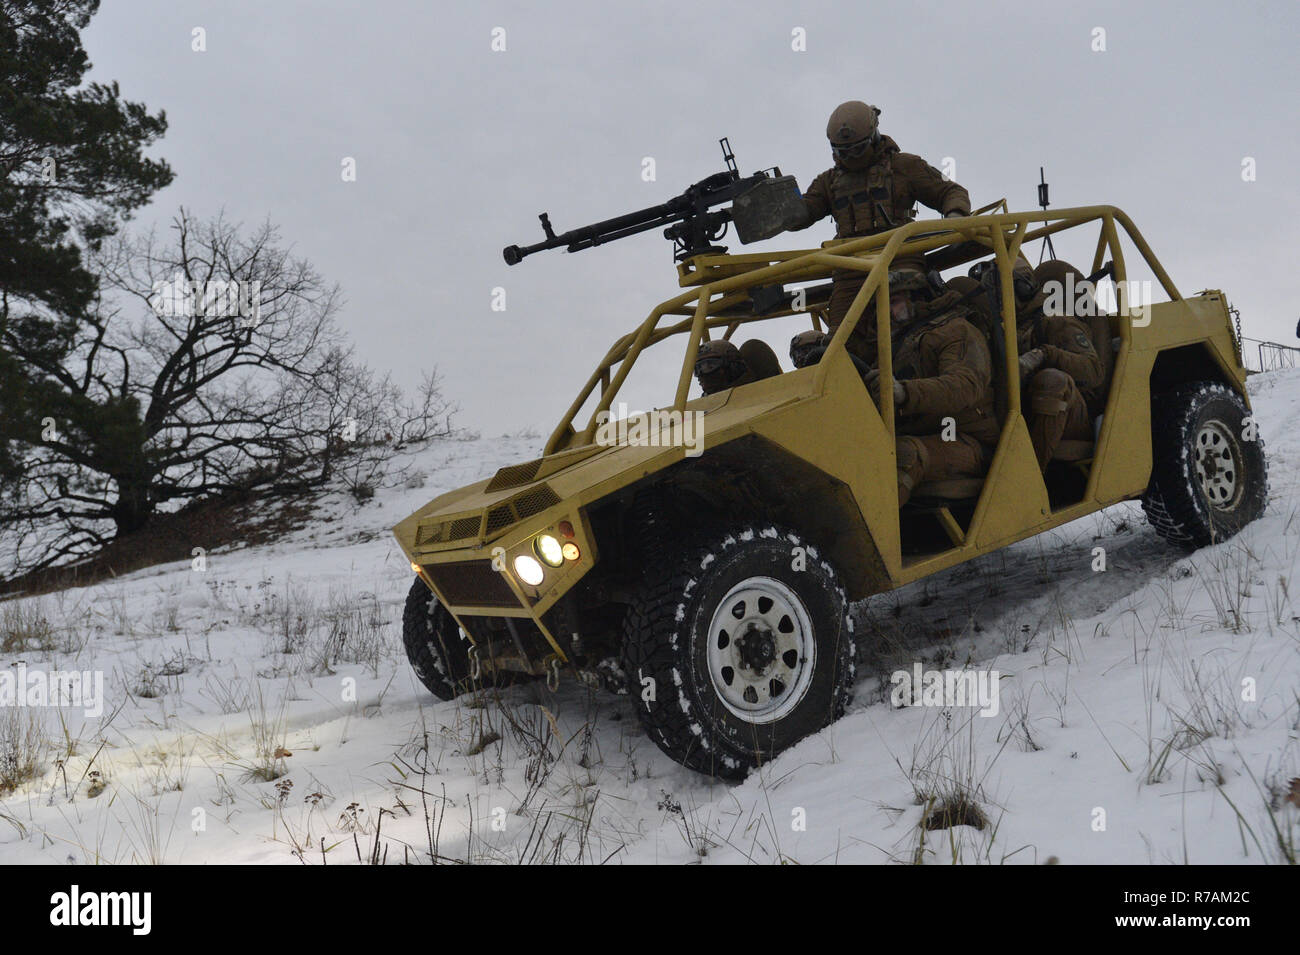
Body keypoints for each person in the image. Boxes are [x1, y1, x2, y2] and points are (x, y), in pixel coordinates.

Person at [784, 100, 972, 365]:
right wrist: (776, 210)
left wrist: (955, 215)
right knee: (841, 338)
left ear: (873, 137)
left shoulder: (904, 166)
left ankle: (914, 377)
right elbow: (802, 214)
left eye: (856, 149)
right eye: (842, 151)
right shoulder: (828, 182)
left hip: (900, 257)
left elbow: (950, 191)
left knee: (905, 324)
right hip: (849, 267)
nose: (849, 158)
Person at [862, 270, 998, 506]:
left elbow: (964, 386)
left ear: (918, 298)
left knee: (903, 454)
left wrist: (904, 392)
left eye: (892, 302)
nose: (885, 313)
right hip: (921, 436)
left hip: (966, 439)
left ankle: (865, 542)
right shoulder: (894, 346)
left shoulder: (956, 329)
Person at [1008, 258, 1104, 469]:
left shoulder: (1057, 320)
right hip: (1026, 408)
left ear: (1023, 287)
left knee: (1052, 381)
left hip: (1073, 414)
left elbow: (1093, 370)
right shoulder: (1006, 328)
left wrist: (1044, 354)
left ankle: (1028, 477)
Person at [693, 338, 781, 394]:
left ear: (734, 367)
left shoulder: (765, 393)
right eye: (698, 369)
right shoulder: (703, 411)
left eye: (709, 366)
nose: (702, 374)